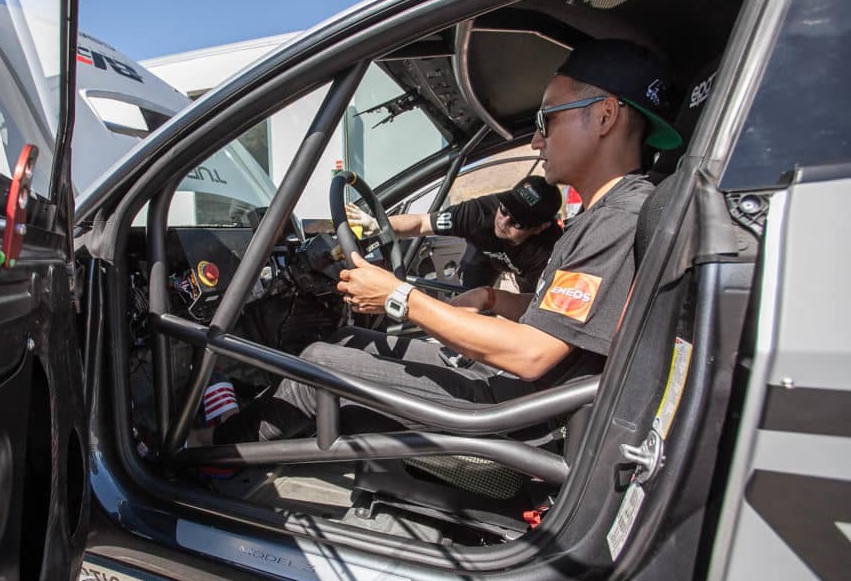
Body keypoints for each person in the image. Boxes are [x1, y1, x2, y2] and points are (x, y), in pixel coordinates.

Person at [209, 39, 681, 445]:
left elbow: (533, 354)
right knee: (351, 337)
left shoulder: (619, 218)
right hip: (508, 387)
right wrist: (495, 298)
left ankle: (214, 452)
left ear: (604, 117)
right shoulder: (607, 212)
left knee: (316, 366)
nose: (537, 141)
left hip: (507, 410)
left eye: (546, 119)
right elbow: (567, 325)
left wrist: (399, 297)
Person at [344, 175, 563, 292]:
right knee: (469, 297)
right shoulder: (479, 213)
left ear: (540, 227)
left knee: (527, 308)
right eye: (504, 208)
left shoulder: (552, 250)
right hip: (484, 254)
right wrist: (378, 225)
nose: (503, 221)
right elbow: (421, 223)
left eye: (517, 222)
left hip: (528, 270)